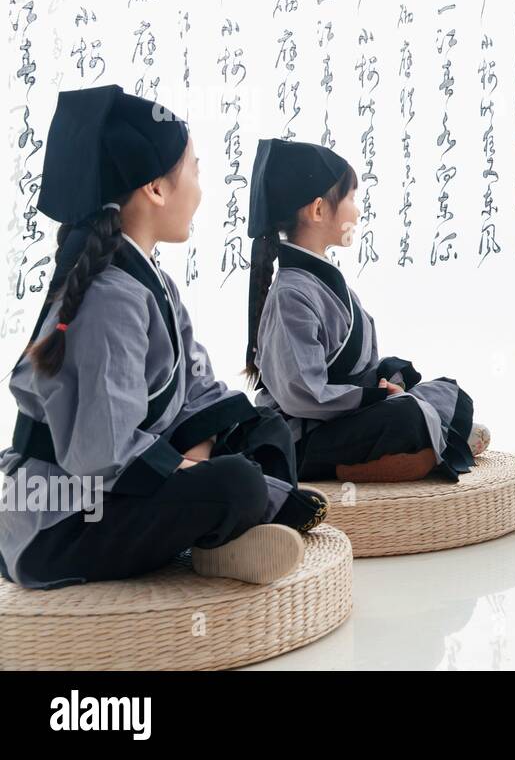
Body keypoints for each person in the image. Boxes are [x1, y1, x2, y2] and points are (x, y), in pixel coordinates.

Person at [0, 85, 325, 589]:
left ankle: (226, 533)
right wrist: (185, 466)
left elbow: (199, 390)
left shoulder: (151, 282)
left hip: (122, 483)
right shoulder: (109, 298)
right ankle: (229, 529)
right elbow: (101, 453)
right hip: (63, 522)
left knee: (265, 427)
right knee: (235, 482)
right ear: (155, 188)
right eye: (195, 170)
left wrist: (208, 442)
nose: (200, 188)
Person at [245, 138, 487, 483]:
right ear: (317, 211)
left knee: (450, 392)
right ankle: (359, 466)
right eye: (351, 198)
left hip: (344, 416)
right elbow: (303, 395)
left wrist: (386, 384)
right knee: (406, 415)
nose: (357, 211)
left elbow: (363, 365)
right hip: (307, 434)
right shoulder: (290, 295)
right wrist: (374, 398)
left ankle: (423, 447)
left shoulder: (324, 281)